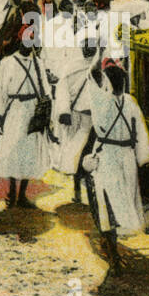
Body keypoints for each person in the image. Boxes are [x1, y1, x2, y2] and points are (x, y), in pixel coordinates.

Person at [84, 61, 149, 273]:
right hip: (127, 157)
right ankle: (112, 249)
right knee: (122, 202)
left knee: (107, 205)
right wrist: (143, 158)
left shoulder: (101, 102)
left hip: (107, 157)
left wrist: (99, 53)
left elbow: (92, 75)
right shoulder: (131, 102)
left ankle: (113, 254)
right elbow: (141, 131)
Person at [0, 22, 53, 208]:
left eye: (32, 41)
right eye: (26, 40)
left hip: (33, 111)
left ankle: (22, 195)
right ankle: (11, 193)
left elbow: (46, 91)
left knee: (29, 152)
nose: (28, 44)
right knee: (13, 150)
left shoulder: (38, 64)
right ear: (20, 40)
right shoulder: (8, 63)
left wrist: (46, 113)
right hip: (15, 110)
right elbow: (0, 91)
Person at [51, 29, 100, 202]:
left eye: (91, 44)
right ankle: (77, 189)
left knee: (94, 153)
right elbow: (62, 90)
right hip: (78, 117)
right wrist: (64, 111)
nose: (88, 48)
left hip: (96, 118)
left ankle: (94, 190)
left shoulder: (100, 67)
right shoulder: (72, 67)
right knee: (77, 154)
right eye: (85, 44)